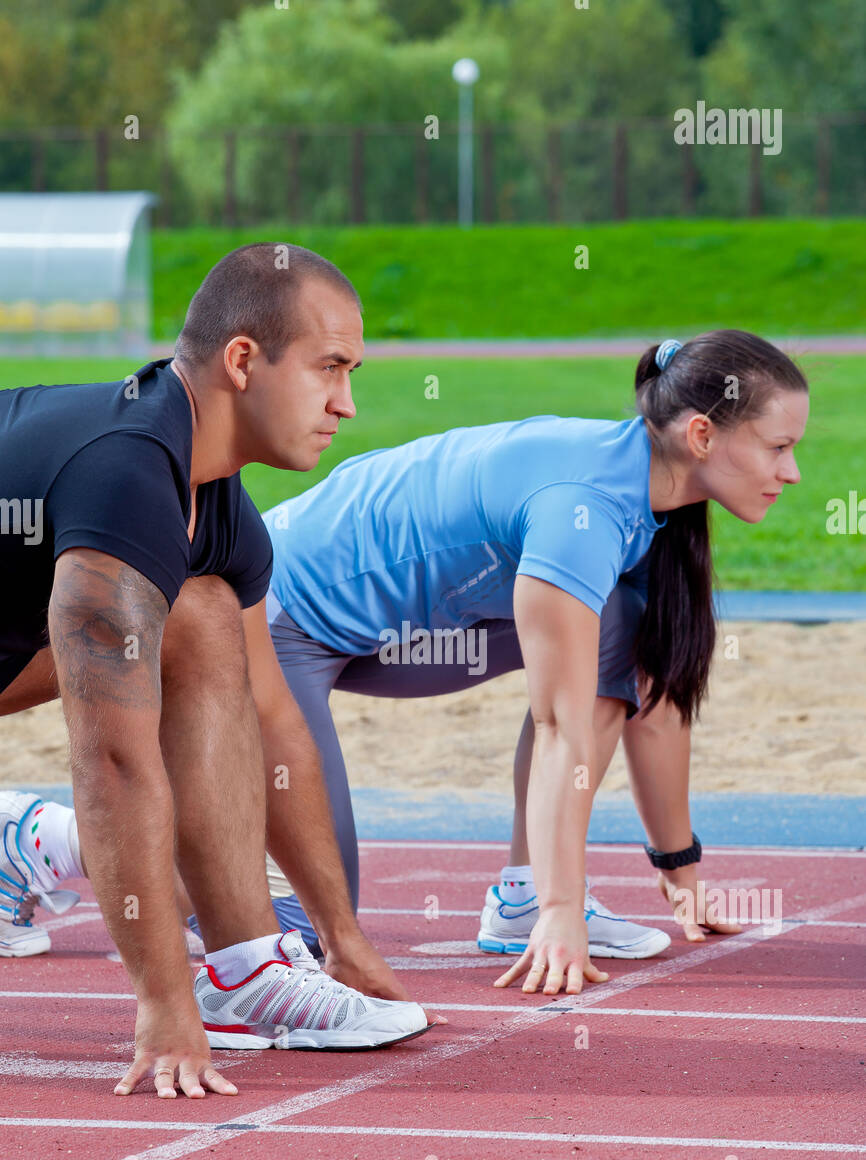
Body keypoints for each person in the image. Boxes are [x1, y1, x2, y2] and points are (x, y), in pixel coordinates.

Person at [249, 331, 808, 994]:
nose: (792, 471)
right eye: (779, 447)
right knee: (310, 928)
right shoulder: (585, 511)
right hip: (271, 617)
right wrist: (562, 912)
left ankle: (519, 896)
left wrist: (681, 875)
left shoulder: (652, 501)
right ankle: (102, 846)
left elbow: (655, 705)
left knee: (622, 633)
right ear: (702, 436)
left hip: (397, 631)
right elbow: (558, 728)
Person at [0, 243, 431, 1100]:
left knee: (196, 613)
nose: (346, 404)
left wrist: (339, 936)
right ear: (242, 360)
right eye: (330, 368)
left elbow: (272, 720)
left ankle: (247, 970)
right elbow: (113, 758)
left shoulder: (218, 504)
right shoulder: (124, 474)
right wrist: (162, 1003)